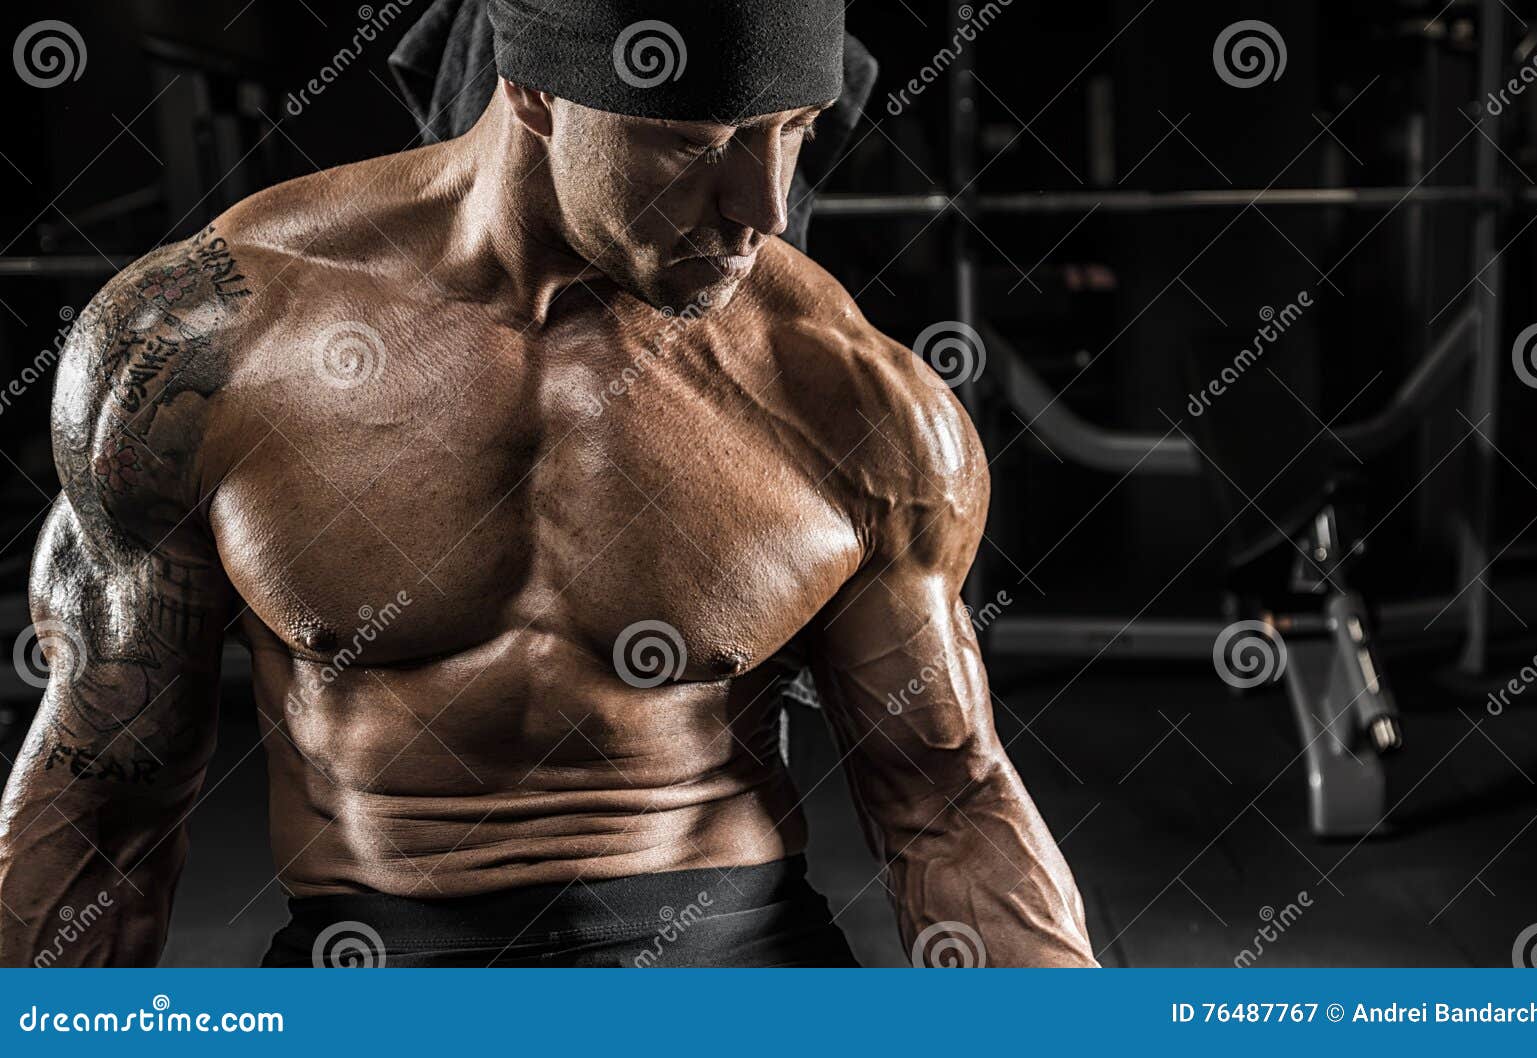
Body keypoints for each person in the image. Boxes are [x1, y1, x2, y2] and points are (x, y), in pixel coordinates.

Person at [0, 0, 1095, 968]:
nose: (760, 205)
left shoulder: (846, 395)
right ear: (528, 92)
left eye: (794, 132)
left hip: (733, 962)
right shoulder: (209, 342)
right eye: (693, 142)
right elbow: (106, 802)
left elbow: (945, 798)